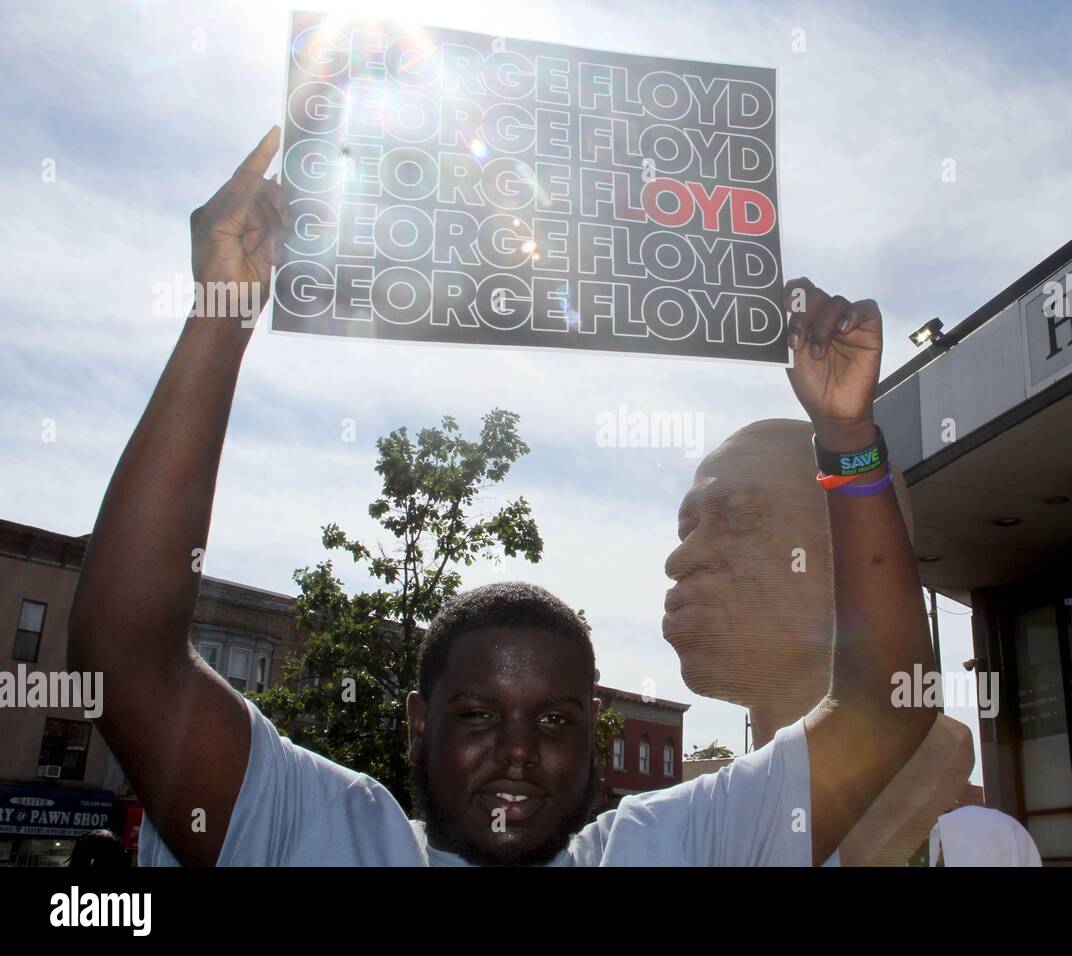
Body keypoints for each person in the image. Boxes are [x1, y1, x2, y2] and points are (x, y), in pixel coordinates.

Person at [67, 126, 938, 866]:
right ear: (418, 725)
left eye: (555, 719)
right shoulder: (330, 840)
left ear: (595, 736)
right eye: (478, 713)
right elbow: (125, 657)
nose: (518, 752)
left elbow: (887, 708)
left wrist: (848, 439)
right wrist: (220, 313)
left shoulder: (655, 850)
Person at [664, 418, 975, 865]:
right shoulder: (702, 814)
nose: (680, 559)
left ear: (860, 553)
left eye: (740, 517)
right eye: (686, 529)